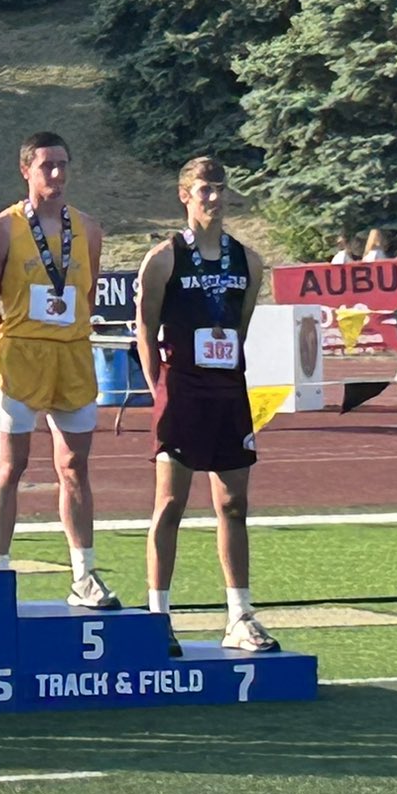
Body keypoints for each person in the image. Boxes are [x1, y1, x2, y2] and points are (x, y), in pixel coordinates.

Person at [136, 154, 279, 656]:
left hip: (228, 394)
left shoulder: (248, 261)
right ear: (184, 195)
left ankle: (239, 615)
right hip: (181, 393)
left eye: (219, 188)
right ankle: (158, 616)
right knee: (170, 504)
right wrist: (160, 389)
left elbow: (238, 329)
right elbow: (145, 330)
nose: (213, 198)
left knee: (234, 505)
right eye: (203, 189)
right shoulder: (164, 258)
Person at [0, 131, 117, 609]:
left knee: (74, 467)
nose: (56, 174)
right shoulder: (2, 229)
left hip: (72, 356)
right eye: (46, 165)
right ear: (25, 170)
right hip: (21, 356)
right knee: (10, 466)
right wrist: (4, 346)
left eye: (62, 164)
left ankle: (84, 576)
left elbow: (87, 291)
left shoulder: (89, 228)